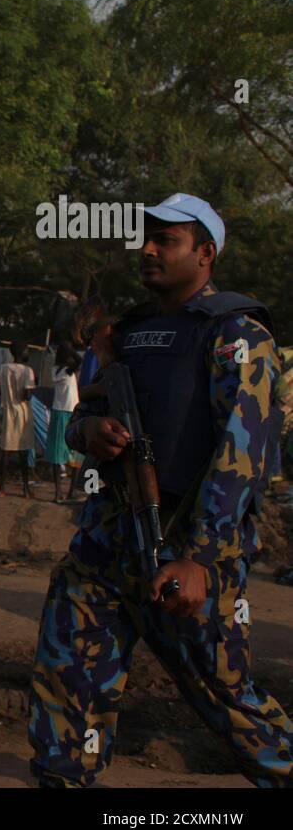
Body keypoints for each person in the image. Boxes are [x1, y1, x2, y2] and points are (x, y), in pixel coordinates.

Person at [29, 193, 293, 787]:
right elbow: (78, 418)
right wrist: (89, 431)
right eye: (145, 238)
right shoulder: (124, 335)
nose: (147, 250)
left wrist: (199, 556)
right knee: (66, 678)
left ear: (205, 253)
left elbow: (239, 455)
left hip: (189, 544)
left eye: (165, 241)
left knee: (223, 696)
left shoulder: (237, 333)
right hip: (106, 539)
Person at [0, 340, 36, 498]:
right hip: (22, 412)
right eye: (27, 350)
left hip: (7, 411)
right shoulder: (27, 371)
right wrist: (32, 388)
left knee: (6, 450)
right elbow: (26, 395)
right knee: (23, 451)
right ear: (22, 352)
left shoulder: (3, 369)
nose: (28, 353)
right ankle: (26, 489)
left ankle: (1, 488)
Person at [45, 343, 81, 503]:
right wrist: (72, 351)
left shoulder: (56, 370)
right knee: (73, 451)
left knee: (58, 452)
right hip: (69, 412)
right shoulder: (67, 370)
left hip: (60, 411)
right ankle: (69, 492)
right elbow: (79, 360)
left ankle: (59, 492)